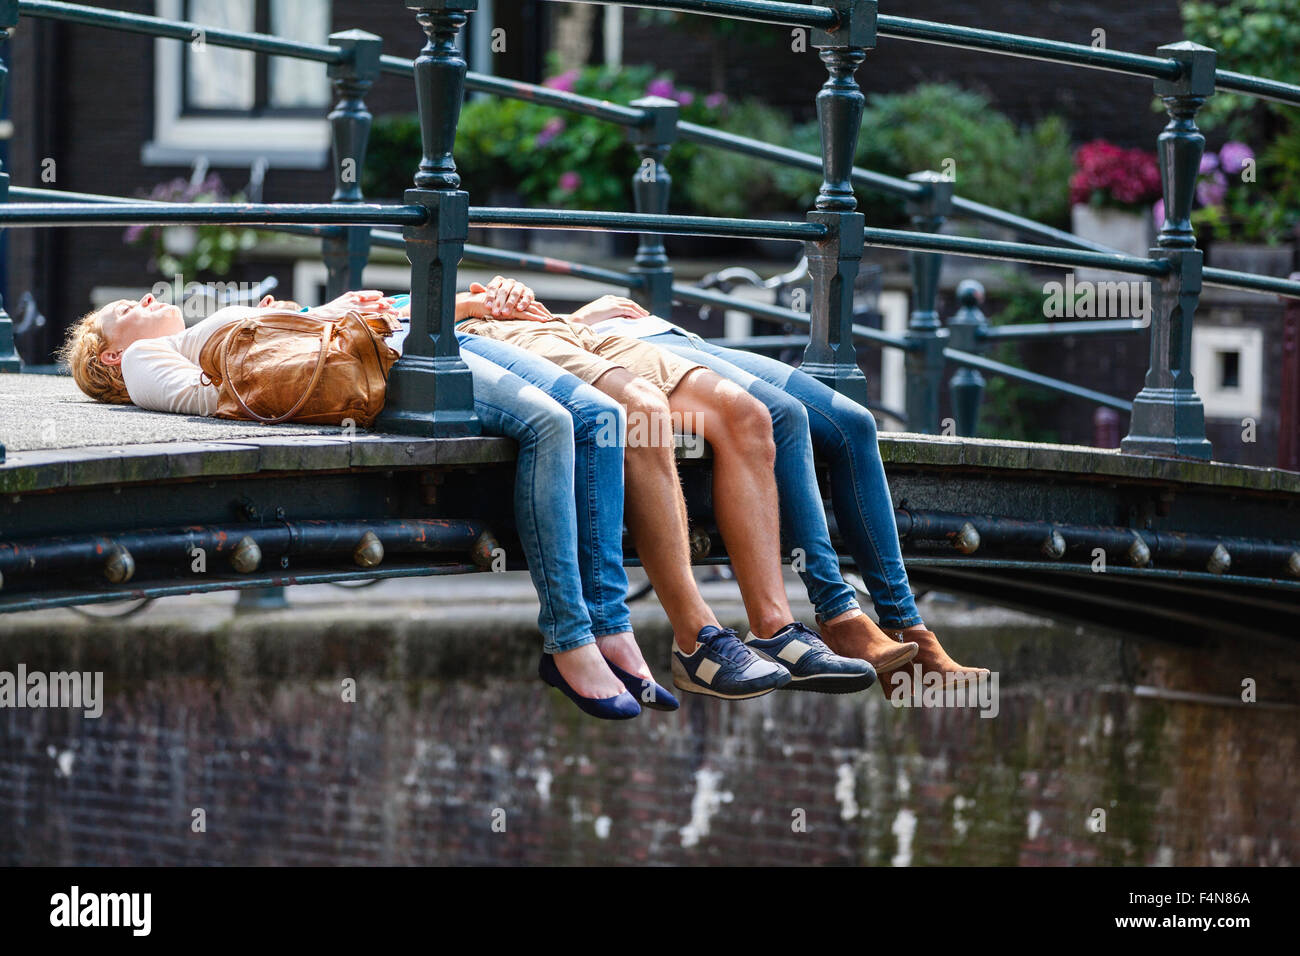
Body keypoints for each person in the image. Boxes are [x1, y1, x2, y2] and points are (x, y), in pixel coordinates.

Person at [57, 281, 672, 721]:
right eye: (122, 310)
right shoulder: (144, 356)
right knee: (550, 425)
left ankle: (612, 627)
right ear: (110, 355)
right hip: (393, 362)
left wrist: (327, 311)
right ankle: (570, 638)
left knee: (598, 416)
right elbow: (214, 398)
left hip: (405, 335)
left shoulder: (202, 328)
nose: (143, 299)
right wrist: (305, 328)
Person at [454, 294, 880, 699]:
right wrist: (470, 304)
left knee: (748, 417)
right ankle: (696, 639)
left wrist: (567, 314)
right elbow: (404, 314)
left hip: (564, 323)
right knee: (644, 410)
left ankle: (775, 627)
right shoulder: (409, 293)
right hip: (493, 333)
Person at [571, 297, 988, 687]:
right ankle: (839, 614)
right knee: (783, 416)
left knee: (855, 424)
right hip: (603, 341)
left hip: (662, 331)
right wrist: (574, 319)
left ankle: (907, 628)